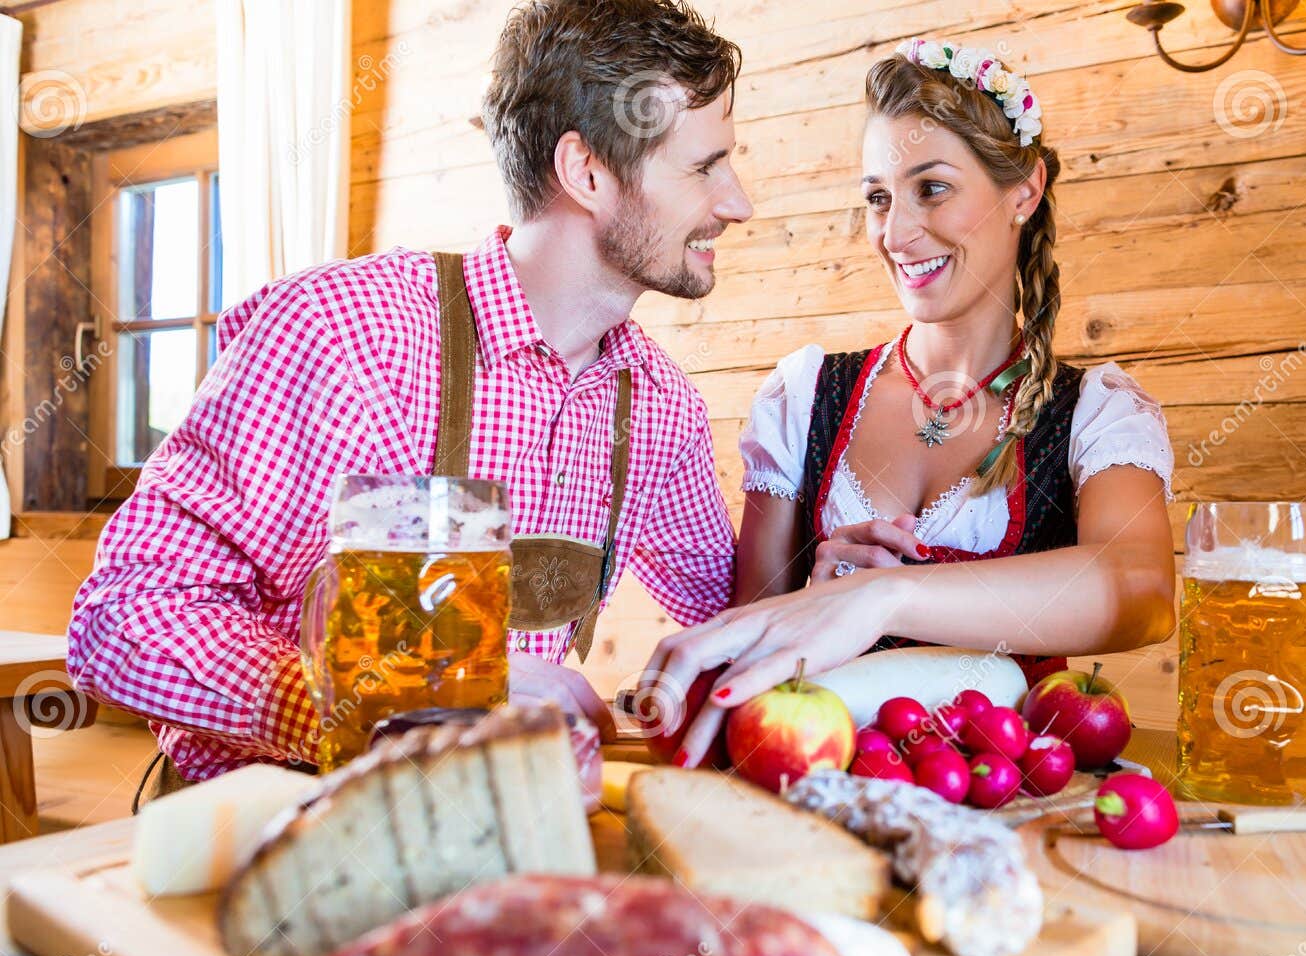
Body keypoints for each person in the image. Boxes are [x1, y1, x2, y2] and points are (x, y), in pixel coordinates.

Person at [67, 0, 752, 788]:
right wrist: (403, 698)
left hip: (470, 826)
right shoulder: (343, 336)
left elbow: (724, 622)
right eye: (704, 167)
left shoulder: (660, 404)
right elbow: (122, 618)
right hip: (268, 820)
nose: (738, 202)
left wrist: (834, 571)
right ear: (586, 172)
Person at [645, 39, 1176, 765]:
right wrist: (812, 588)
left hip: (1013, 807)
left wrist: (885, 598)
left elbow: (1140, 590)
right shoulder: (806, 397)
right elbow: (748, 635)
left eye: (931, 188)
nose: (895, 234)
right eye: (878, 197)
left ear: (1024, 189)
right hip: (820, 790)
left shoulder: (1097, 411)